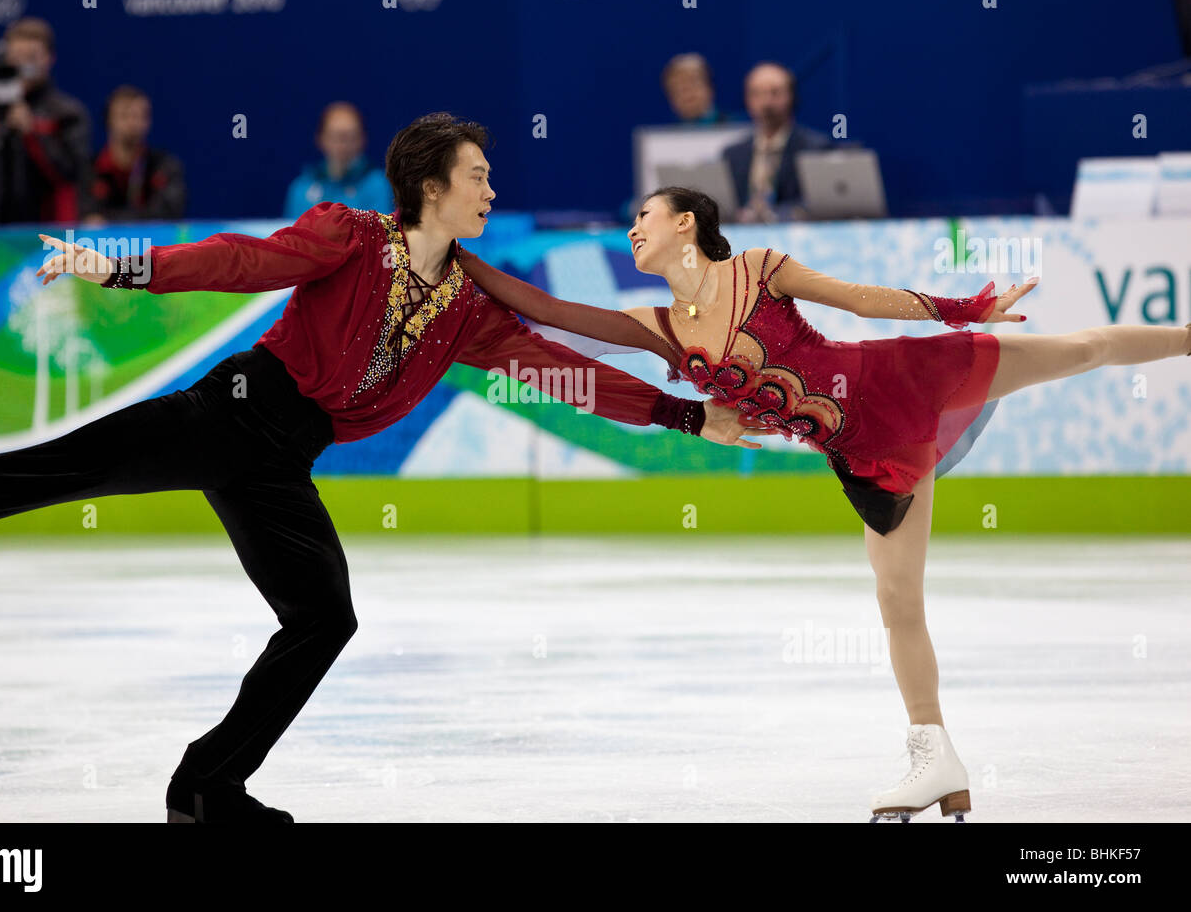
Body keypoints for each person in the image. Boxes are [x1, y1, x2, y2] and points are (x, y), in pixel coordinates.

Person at [0, 116, 756, 824]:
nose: (493, 192)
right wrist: (123, 265)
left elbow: (563, 375)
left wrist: (683, 414)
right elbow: (242, 261)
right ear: (431, 186)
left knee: (322, 617)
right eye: (479, 176)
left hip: (280, 462)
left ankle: (205, 787)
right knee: (41, 472)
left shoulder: (469, 311)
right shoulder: (349, 236)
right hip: (226, 412)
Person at [461, 186, 1191, 822]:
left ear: (687, 224)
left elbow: (861, 299)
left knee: (1082, 349)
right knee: (898, 600)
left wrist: (967, 308)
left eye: (645, 215)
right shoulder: (657, 327)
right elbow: (547, 311)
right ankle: (935, 756)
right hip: (861, 455)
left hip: (903, 380)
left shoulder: (758, 270)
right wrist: (447, 252)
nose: (632, 229)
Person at [0, 17, 90, 224]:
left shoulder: (68, 113)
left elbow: (71, 175)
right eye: (16, 57)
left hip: (49, 234)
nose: (23, 65)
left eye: (31, 57)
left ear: (49, 58)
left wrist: (32, 133)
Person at [721, 62, 833, 224]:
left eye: (775, 93)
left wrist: (774, 215)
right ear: (747, 99)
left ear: (791, 96)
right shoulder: (733, 154)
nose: (766, 102)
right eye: (757, 94)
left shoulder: (814, 148)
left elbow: (818, 204)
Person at [83, 85, 186, 223]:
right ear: (108, 120)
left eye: (140, 116)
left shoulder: (165, 167)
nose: (133, 123)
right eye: (124, 115)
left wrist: (108, 220)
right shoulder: (89, 170)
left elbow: (168, 214)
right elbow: (85, 215)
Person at [282, 101, 393, 217]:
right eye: (336, 136)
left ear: (362, 140)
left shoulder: (379, 185)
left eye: (350, 137)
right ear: (320, 139)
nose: (343, 146)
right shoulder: (301, 188)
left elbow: (381, 232)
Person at [660, 53, 735, 125]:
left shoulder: (737, 127)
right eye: (679, 90)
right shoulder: (667, 135)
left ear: (709, 87)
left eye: (692, 84)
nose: (687, 95)